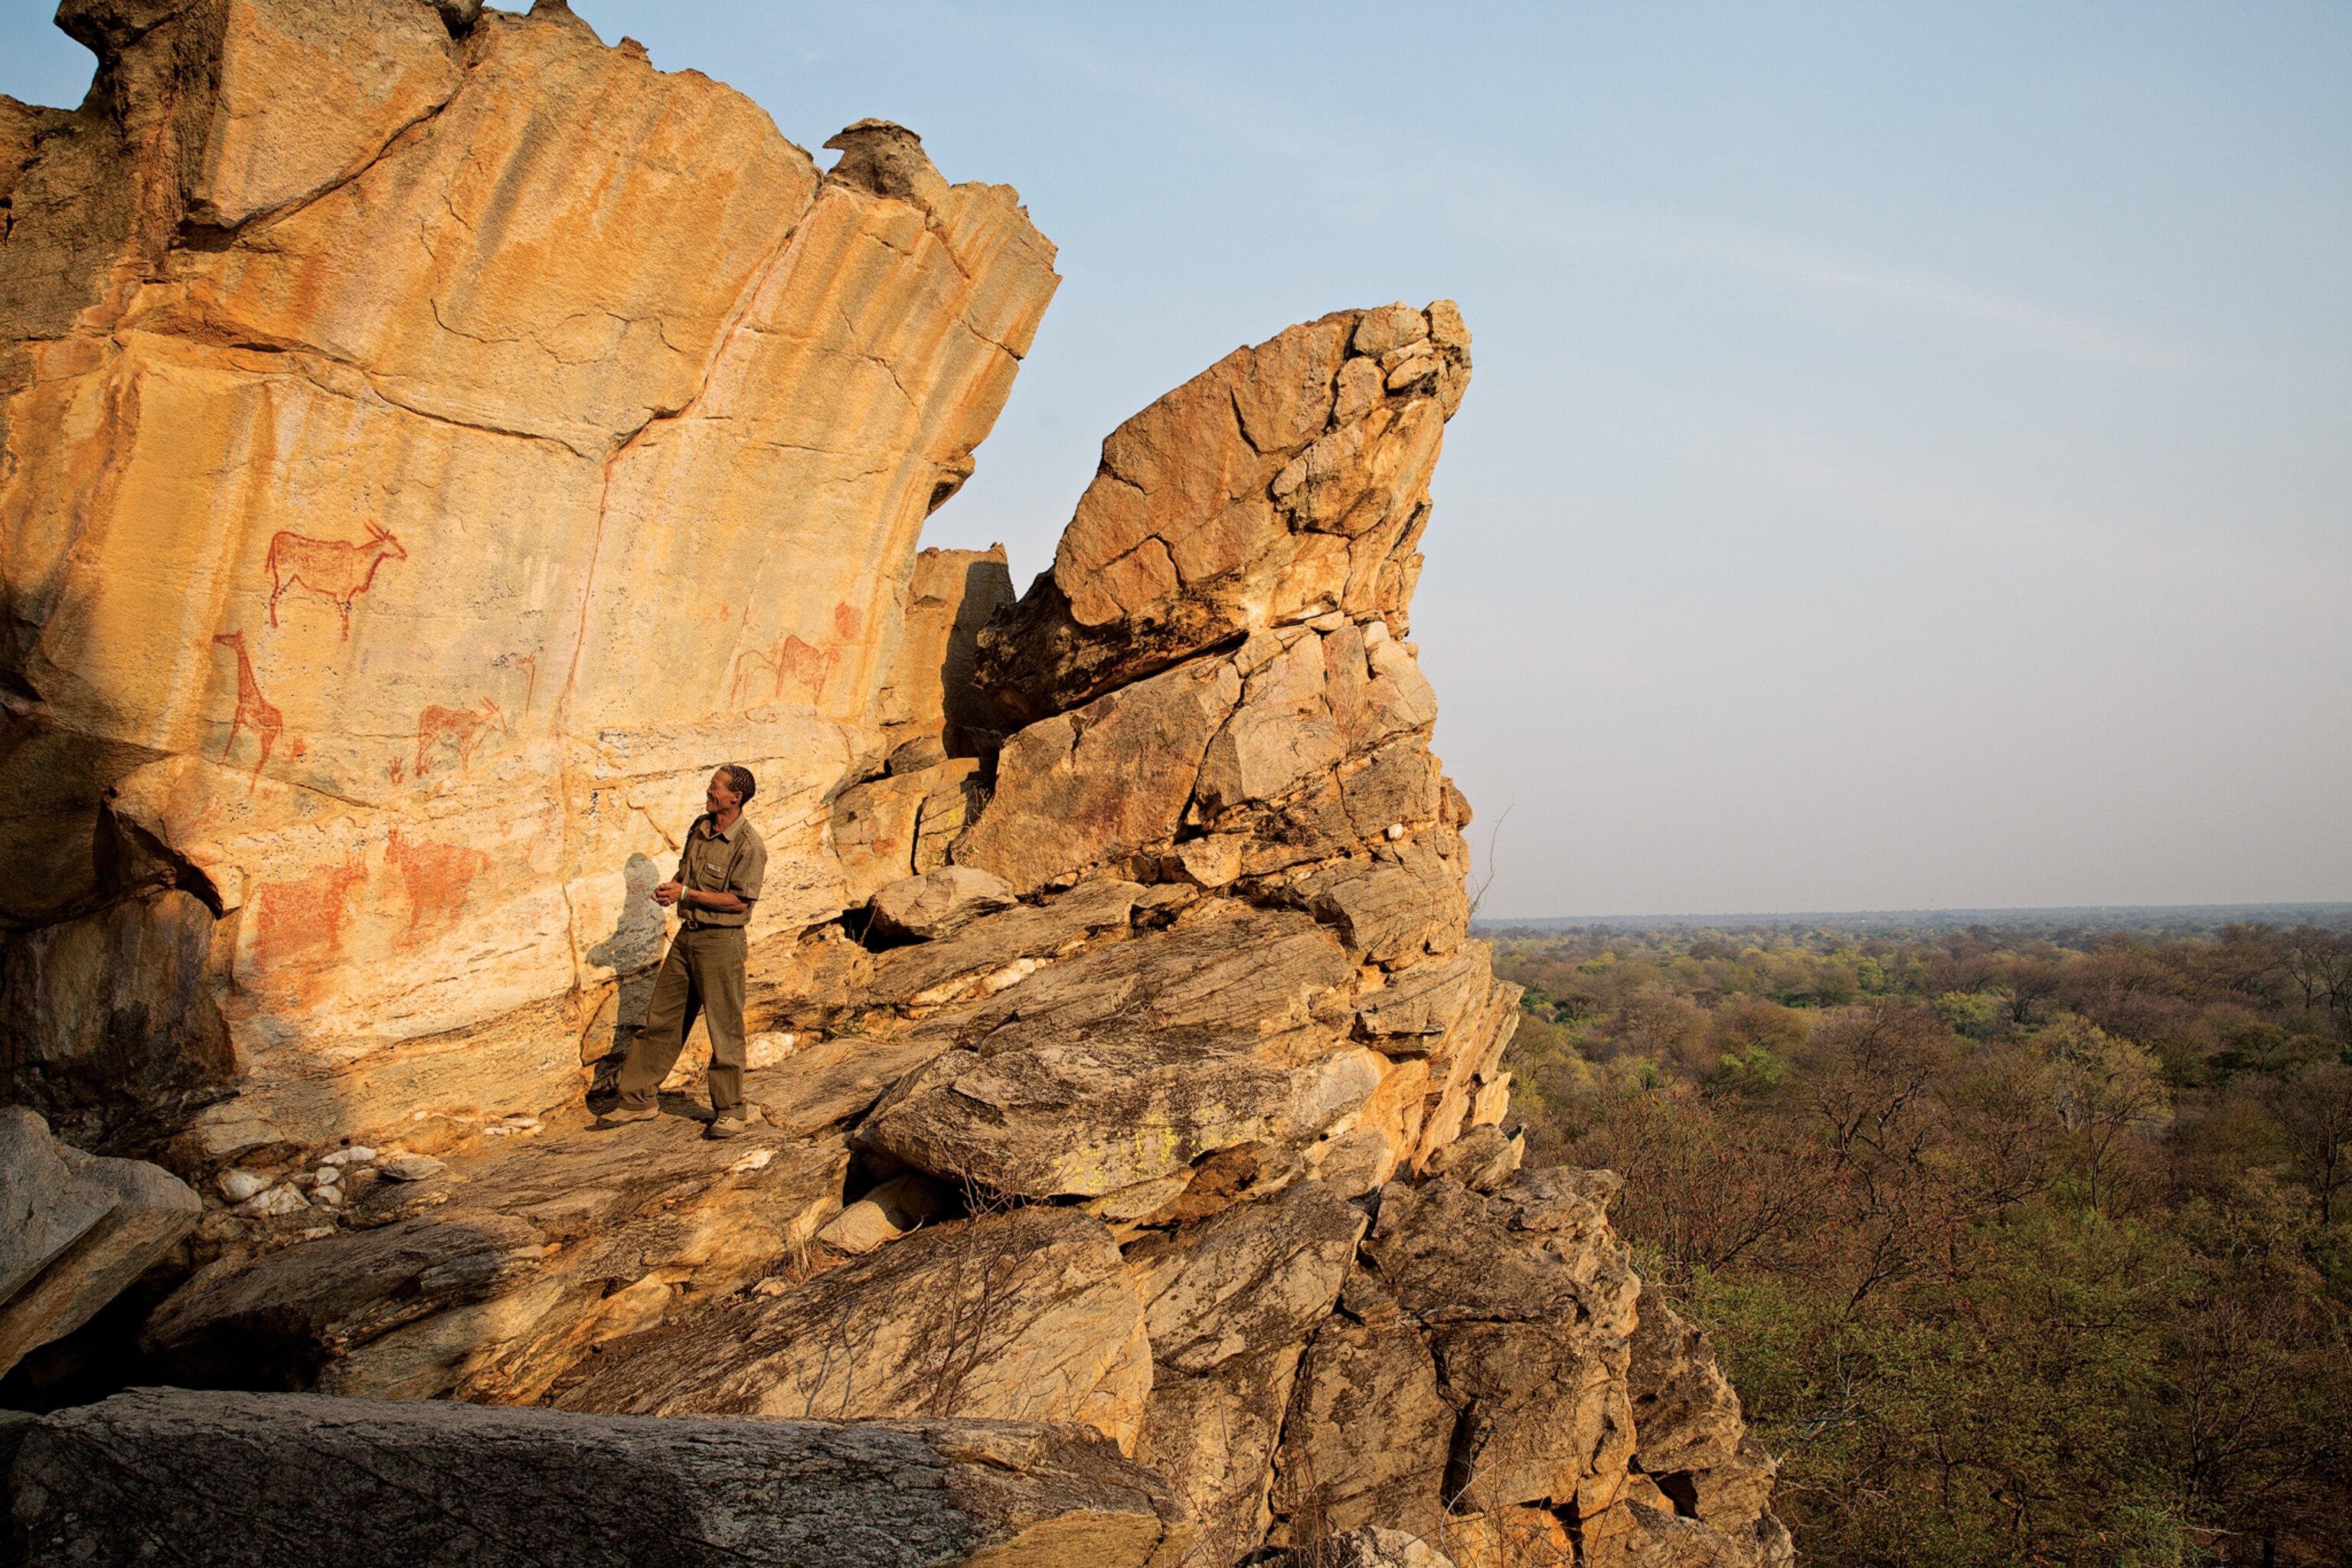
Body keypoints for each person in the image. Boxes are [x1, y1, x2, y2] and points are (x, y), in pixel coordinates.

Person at [599, 764, 767, 1138]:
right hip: (687, 938)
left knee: (724, 1028)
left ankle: (730, 1111)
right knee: (662, 1019)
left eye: (715, 787)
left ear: (734, 797)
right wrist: (673, 887)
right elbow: (685, 874)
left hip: (721, 943)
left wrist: (687, 894)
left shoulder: (748, 846)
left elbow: (740, 902)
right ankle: (637, 1101)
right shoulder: (700, 827)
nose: (709, 791)